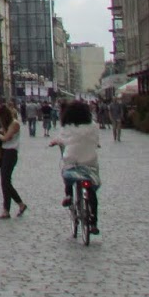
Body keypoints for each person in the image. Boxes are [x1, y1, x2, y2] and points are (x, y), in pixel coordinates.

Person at [49, 99, 101, 234]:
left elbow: (60, 139)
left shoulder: (67, 128)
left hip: (72, 160)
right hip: (89, 161)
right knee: (91, 190)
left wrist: (54, 142)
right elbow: (96, 140)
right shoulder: (93, 126)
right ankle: (93, 222)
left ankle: (68, 195)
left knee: (66, 171)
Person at [0, 102, 27, 219]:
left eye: (0, 118)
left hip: (11, 153)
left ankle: (17, 205)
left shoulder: (14, 124)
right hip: (6, 152)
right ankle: (11, 208)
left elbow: (6, 137)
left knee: (5, 182)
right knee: (5, 182)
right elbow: (5, 132)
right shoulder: (9, 124)